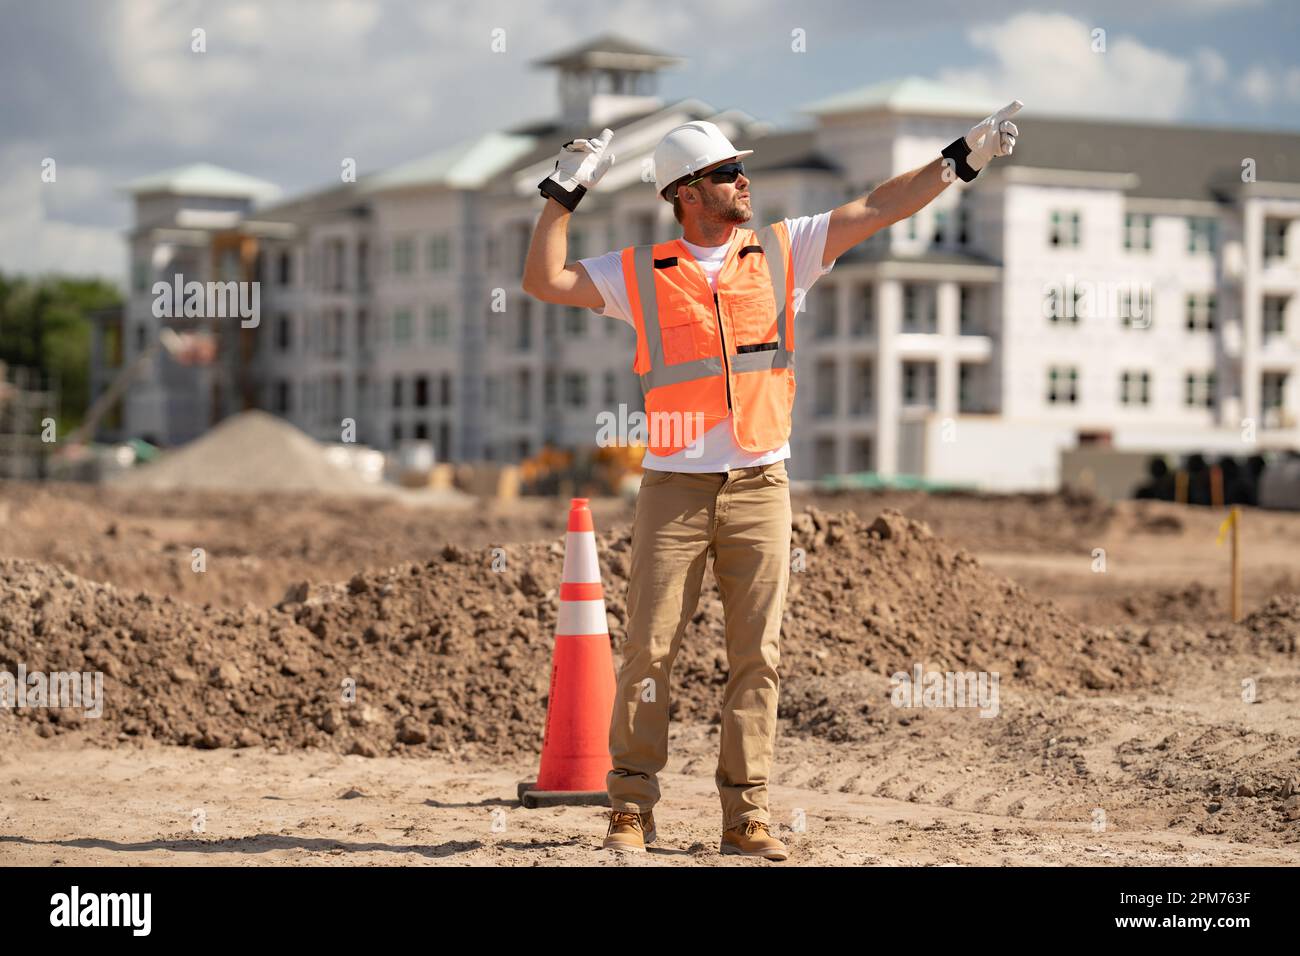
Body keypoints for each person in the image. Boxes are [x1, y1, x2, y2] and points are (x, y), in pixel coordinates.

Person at [523, 103, 1021, 860]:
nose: (743, 180)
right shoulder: (641, 272)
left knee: (758, 656)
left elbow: (881, 206)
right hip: (674, 489)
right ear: (687, 193)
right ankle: (630, 808)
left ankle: (745, 816)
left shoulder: (787, 251)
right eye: (727, 173)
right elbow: (544, 281)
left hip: (762, 483)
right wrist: (562, 197)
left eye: (740, 168)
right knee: (650, 653)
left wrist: (959, 161)